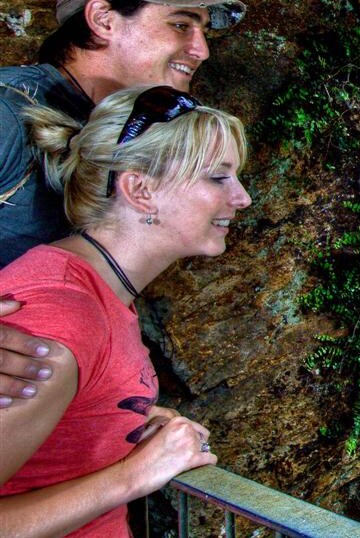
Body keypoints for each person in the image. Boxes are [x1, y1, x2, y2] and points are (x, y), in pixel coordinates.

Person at [0, 84, 251, 536]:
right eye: (218, 177)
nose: (242, 197)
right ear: (140, 189)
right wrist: (133, 476)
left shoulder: (100, 294)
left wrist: (122, 421)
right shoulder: (59, 316)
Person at [0, 0, 246, 406]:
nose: (200, 50)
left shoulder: (110, 130)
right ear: (103, 19)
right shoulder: (8, 114)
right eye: (181, 23)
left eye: (202, 30)